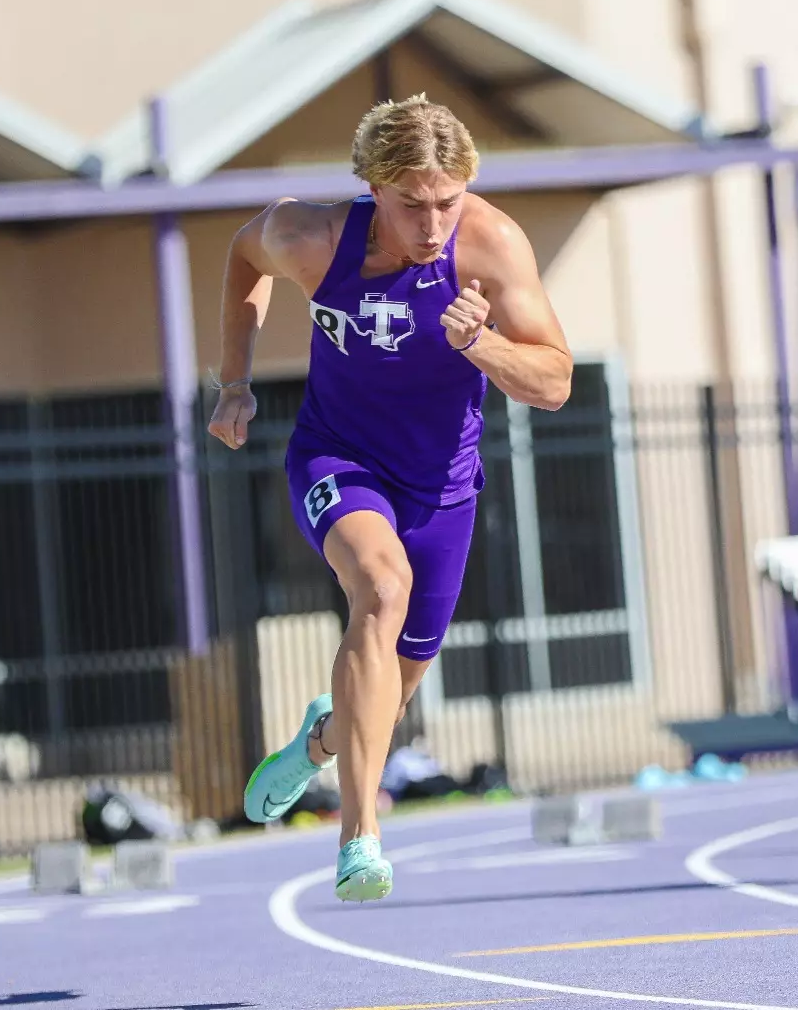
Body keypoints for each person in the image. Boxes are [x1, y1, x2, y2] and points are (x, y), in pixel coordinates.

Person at [207, 94, 571, 901]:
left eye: (449, 200)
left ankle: (321, 741)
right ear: (374, 187)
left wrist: (481, 342)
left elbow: (554, 380)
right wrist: (234, 381)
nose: (434, 223)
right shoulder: (310, 236)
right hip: (339, 456)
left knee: (385, 698)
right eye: (413, 205)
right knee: (381, 586)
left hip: (442, 485)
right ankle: (360, 835)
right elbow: (241, 257)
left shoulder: (491, 244)